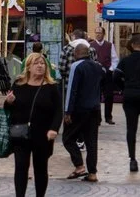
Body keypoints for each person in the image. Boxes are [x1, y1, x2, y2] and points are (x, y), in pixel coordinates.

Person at [3, 52, 62, 197]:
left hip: (43, 135)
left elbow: (58, 111)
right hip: (20, 133)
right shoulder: (18, 84)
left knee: (41, 168)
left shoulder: (52, 87)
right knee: (21, 167)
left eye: (42, 63)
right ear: (28, 66)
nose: (40, 66)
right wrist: (8, 102)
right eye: (36, 63)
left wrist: (54, 129)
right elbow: (8, 109)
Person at [62, 43, 104, 182]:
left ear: (76, 53)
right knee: (92, 142)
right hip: (95, 109)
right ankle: (92, 173)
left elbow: (72, 89)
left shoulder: (76, 66)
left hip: (79, 109)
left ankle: (79, 165)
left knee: (67, 138)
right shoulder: (98, 66)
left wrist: (68, 111)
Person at [113, 33, 140, 172]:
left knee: (131, 129)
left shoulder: (125, 60)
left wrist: (124, 88)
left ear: (132, 45)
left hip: (130, 96)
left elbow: (116, 76)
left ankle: (133, 160)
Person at [90, 26, 119, 125]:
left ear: (104, 34)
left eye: (100, 33)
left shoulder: (109, 45)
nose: (98, 34)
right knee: (96, 96)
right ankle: (97, 118)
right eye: (96, 32)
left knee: (109, 96)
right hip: (95, 74)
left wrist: (110, 69)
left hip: (107, 73)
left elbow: (115, 59)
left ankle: (108, 117)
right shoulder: (91, 45)